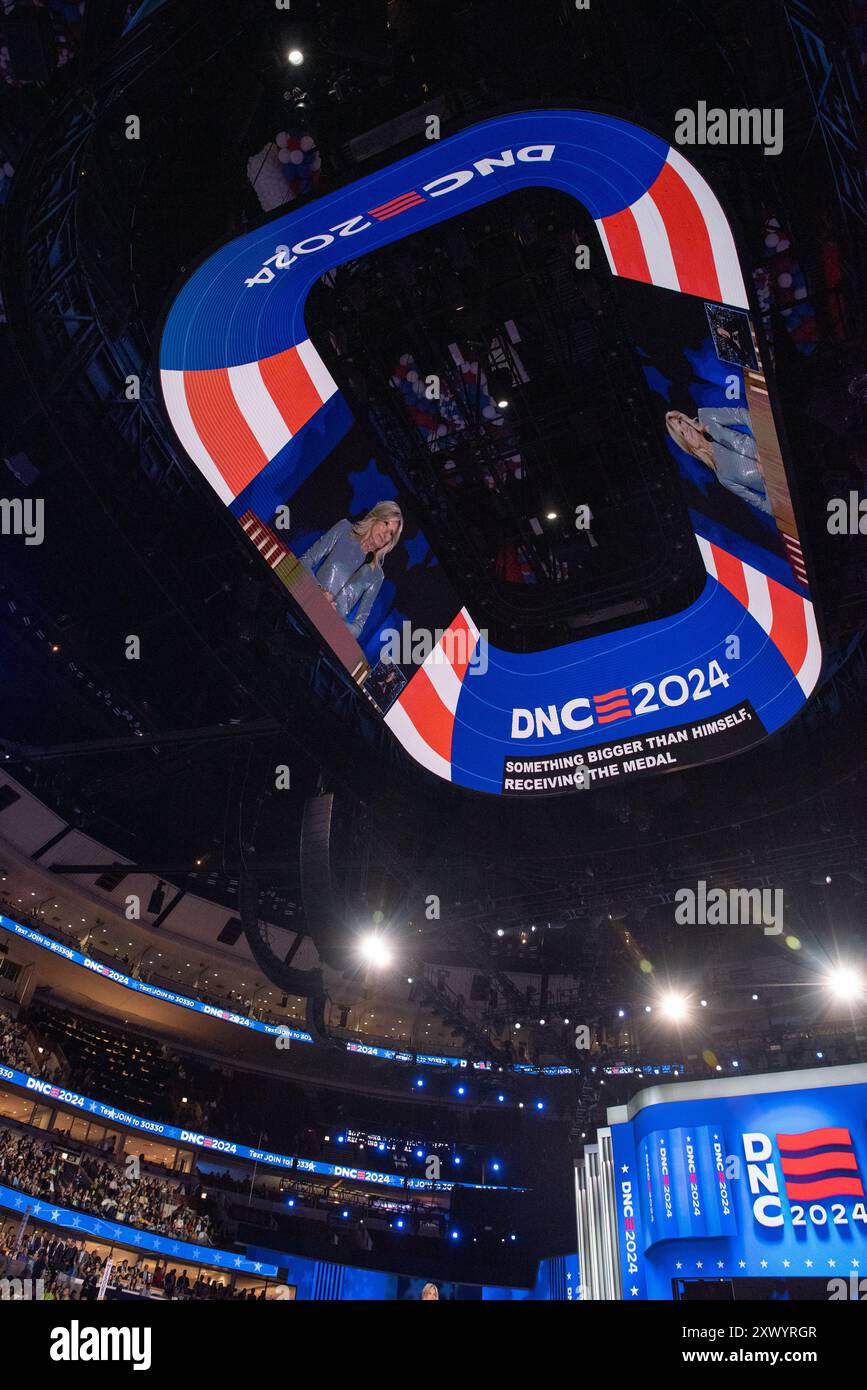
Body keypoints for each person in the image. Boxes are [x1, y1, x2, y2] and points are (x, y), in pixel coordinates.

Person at [299, 502, 403, 639]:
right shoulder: (344, 529)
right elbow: (305, 561)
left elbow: (358, 627)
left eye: (391, 533)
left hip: (324, 636)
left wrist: (336, 623)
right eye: (385, 523)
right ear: (375, 517)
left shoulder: (377, 575)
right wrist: (319, 593)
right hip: (303, 609)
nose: (385, 533)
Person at [665, 407, 772, 514]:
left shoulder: (707, 417)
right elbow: (767, 508)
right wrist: (766, 479)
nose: (686, 430)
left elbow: (742, 414)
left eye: (680, 422)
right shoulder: (723, 477)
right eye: (682, 434)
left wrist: (763, 440)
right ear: (686, 444)